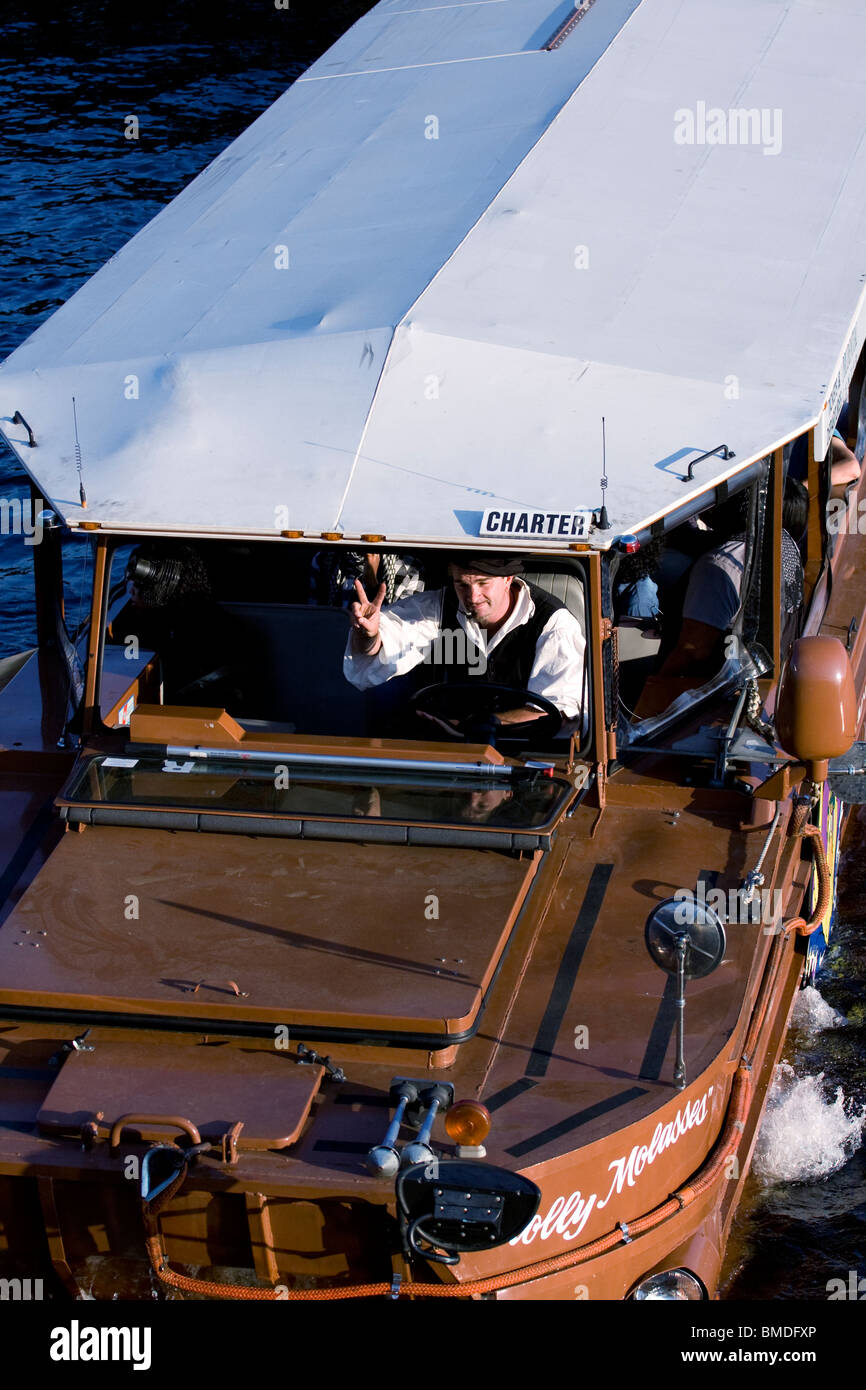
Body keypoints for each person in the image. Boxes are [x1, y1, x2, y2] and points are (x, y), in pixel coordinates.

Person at [343, 552, 585, 734]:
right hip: (449, 755)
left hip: (525, 759)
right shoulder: (438, 608)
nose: (472, 597)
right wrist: (369, 635)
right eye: (462, 584)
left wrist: (477, 726)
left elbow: (559, 713)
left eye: (482, 583)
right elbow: (387, 642)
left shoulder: (552, 625)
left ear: (508, 579)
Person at [310, 549, 425, 606]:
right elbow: (316, 617)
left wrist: (373, 586)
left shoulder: (410, 568)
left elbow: (401, 632)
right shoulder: (324, 560)